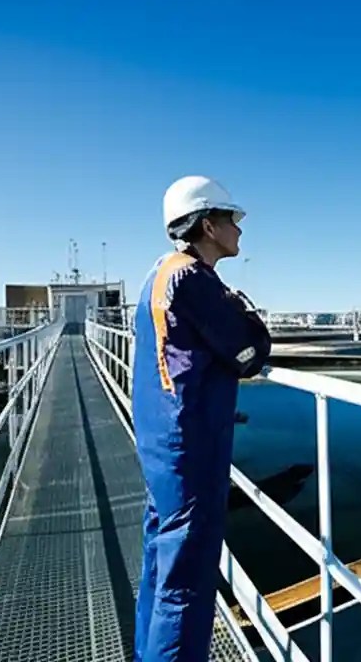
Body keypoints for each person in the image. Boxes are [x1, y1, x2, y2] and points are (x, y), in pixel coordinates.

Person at [131, 175, 272, 661]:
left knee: (160, 568)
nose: (239, 229)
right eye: (232, 219)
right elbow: (248, 351)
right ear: (208, 225)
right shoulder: (192, 280)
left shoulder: (159, 274)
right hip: (191, 448)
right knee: (186, 586)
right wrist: (248, 318)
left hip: (162, 446)